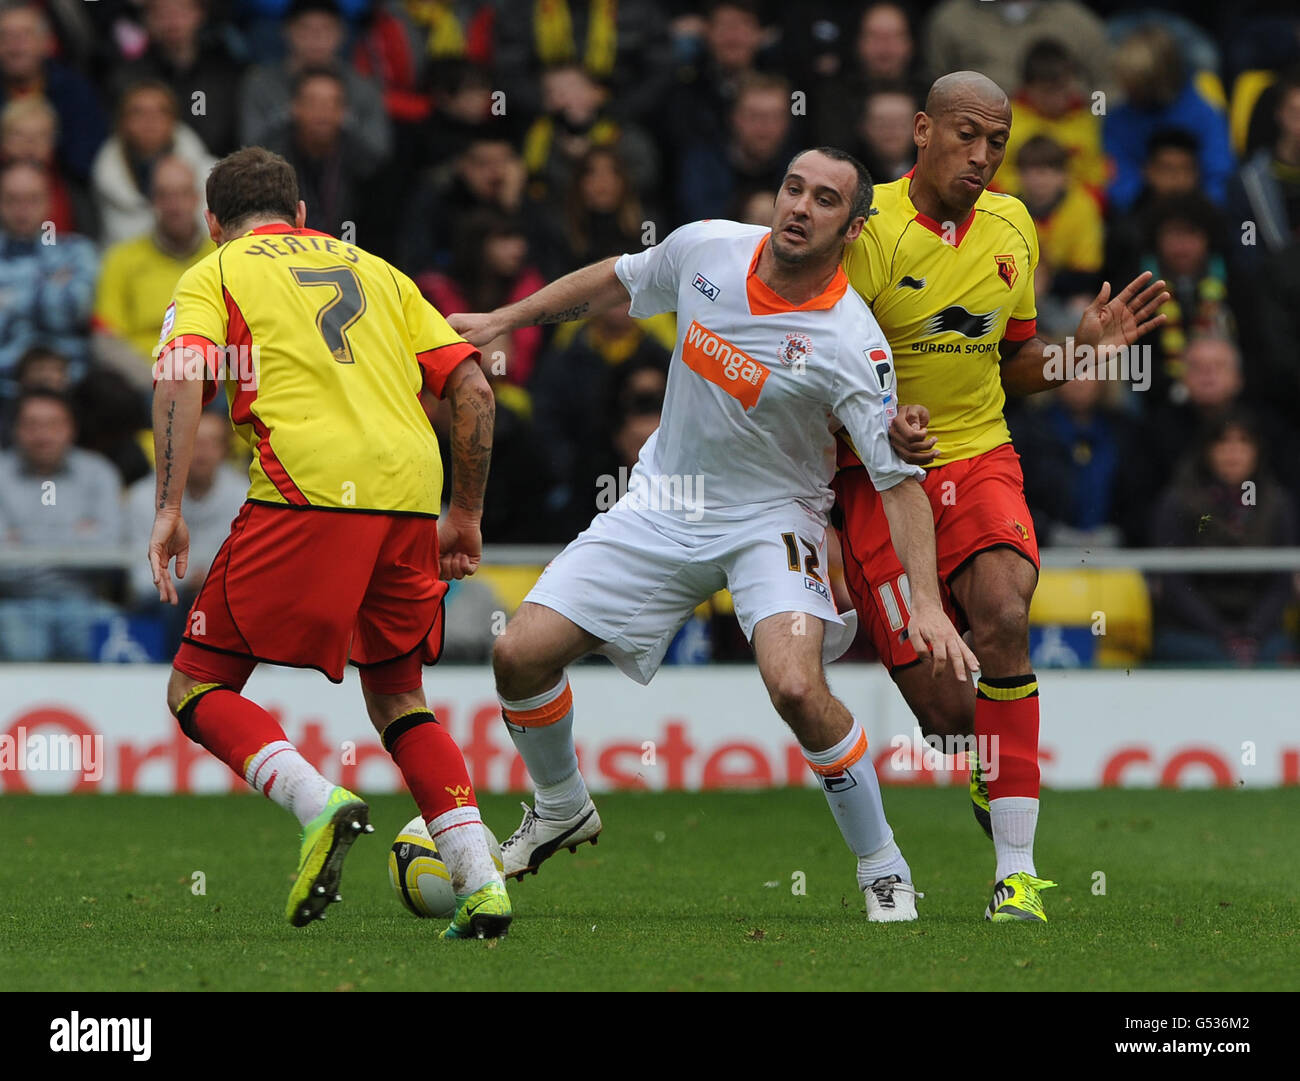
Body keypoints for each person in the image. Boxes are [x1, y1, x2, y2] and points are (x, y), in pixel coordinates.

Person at [451, 146, 979, 923]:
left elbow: (898, 484)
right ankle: (560, 805)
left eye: (825, 200)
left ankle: (884, 866)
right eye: (793, 188)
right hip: (664, 501)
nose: (799, 206)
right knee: (517, 655)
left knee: (797, 686)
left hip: (776, 519)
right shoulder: (707, 249)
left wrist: (926, 605)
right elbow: (615, 280)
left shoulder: (851, 342)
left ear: (854, 228)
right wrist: (502, 318)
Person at [148, 146, 511, 939]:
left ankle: (320, 802)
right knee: (398, 695)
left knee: (196, 684)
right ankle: (483, 883)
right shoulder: (377, 269)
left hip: (305, 487)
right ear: (304, 215)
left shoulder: (215, 271)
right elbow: (475, 387)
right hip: (412, 494)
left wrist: (168, 505)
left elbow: (180, 373)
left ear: (215, 224)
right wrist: (466, 513)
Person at [834, 71, 1169, 923]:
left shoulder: (1014, 226)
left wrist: (1077, 351)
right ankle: (990, 759)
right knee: (954, 714)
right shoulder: (865, 231)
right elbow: (809, 373)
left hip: (979, 451)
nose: (982, 156)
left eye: (997, 141)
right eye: (966, 135)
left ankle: (1014, 874)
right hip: (877, 475)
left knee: (1006, 614)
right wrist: (871, 433)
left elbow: (1010, 364)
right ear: (921, 130)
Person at [0, 388, 122, 661]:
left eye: (53, 425)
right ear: (16, 430)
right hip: (13, 602)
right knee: (20, 645)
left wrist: (23, 541)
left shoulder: (99, 472)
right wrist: (76, 538)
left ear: (71, 429)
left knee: (113, 626)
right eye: (32, 425)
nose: (43, 435)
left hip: (85, 600)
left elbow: (110, 550)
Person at [93, 155, 216, 394]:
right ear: (152, 201)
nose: (175, 205)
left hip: (213, 383)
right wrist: (162, 382)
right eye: (165, 195)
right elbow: (105, 340)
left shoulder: (222, 257)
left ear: (197, 199)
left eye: (182, 194)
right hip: (143, 385)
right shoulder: (121, 259)